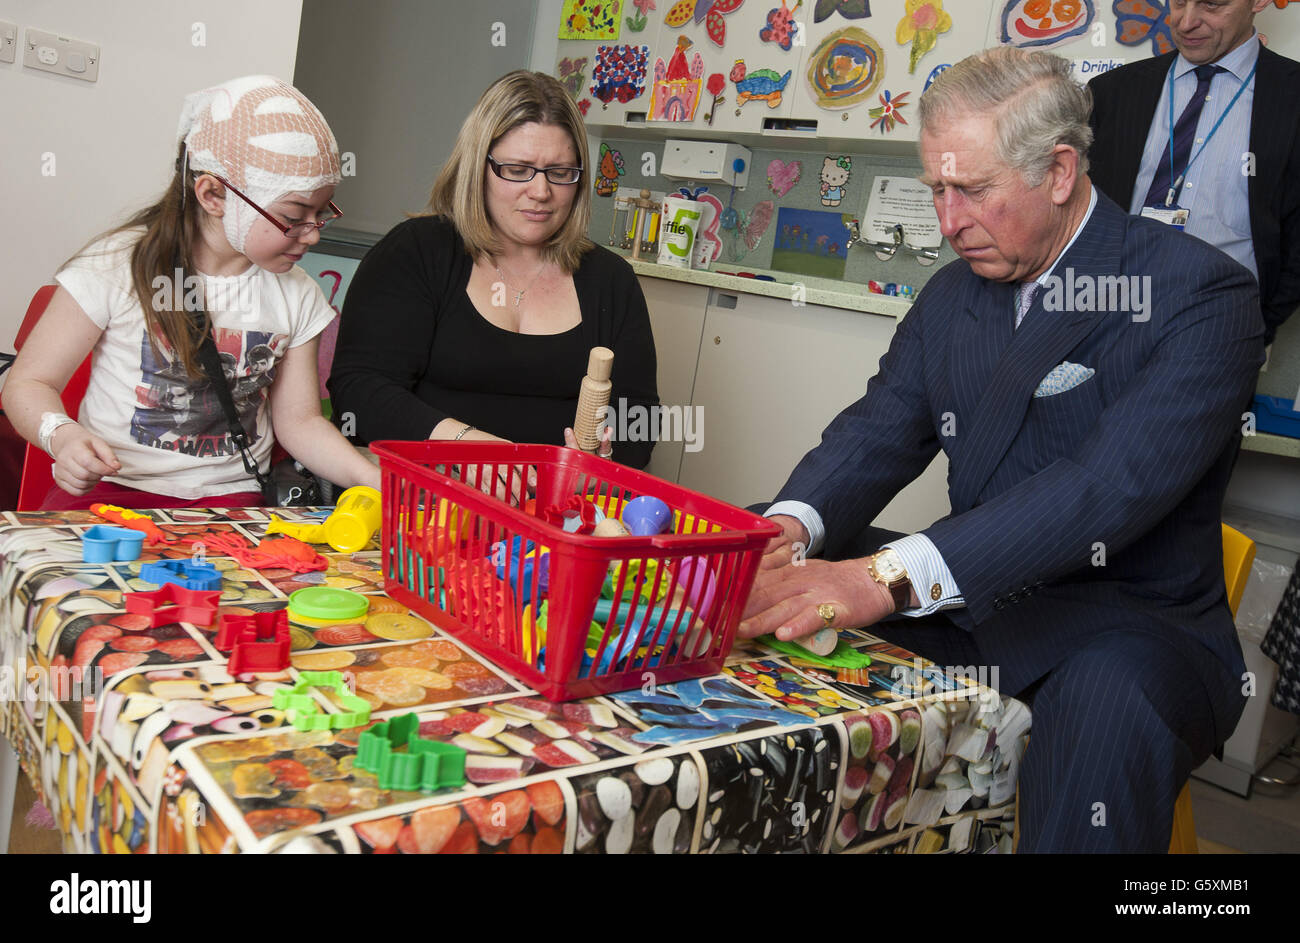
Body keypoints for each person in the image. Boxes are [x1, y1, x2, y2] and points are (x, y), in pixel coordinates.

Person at [739, 47, 1266, 852]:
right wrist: (789, 531)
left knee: (1101, 709)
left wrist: (879, 576)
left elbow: (1100, 489)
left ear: (1059, 171)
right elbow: (881, 427)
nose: (948, 223)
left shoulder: (1199, 295)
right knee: (748, 561)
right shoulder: (955, 293)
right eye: (936, 191)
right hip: (979, 605)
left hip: (1126, 625)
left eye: (974, 191)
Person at [5, 75, 380, 509]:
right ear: (213, 194)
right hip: (112, 494)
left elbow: (299, 423)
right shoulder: (115, 266)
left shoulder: (298, 295)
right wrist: (62, 435)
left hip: (229, 504)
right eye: (293, 216)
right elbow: (28, 382)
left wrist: (372, 478)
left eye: (322, 212)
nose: (313, 235)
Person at [328, 70, 659, 468]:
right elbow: (360, 392)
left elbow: (640, 420)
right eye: (517, 170)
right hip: (426, 496)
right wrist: (472, 449)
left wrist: (603, 456)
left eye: (560, 173)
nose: (541, 192)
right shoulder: (416, 252)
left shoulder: (611, 281)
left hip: (559, 508)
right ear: (476, 168)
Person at [1087, 0, 1300, 343]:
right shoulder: (1112, 92)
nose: (1185, 23)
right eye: (1179, 3)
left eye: (1211, 5)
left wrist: (1256, 325)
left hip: (1223, 332)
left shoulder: (1292, 97)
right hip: (1099, 322)